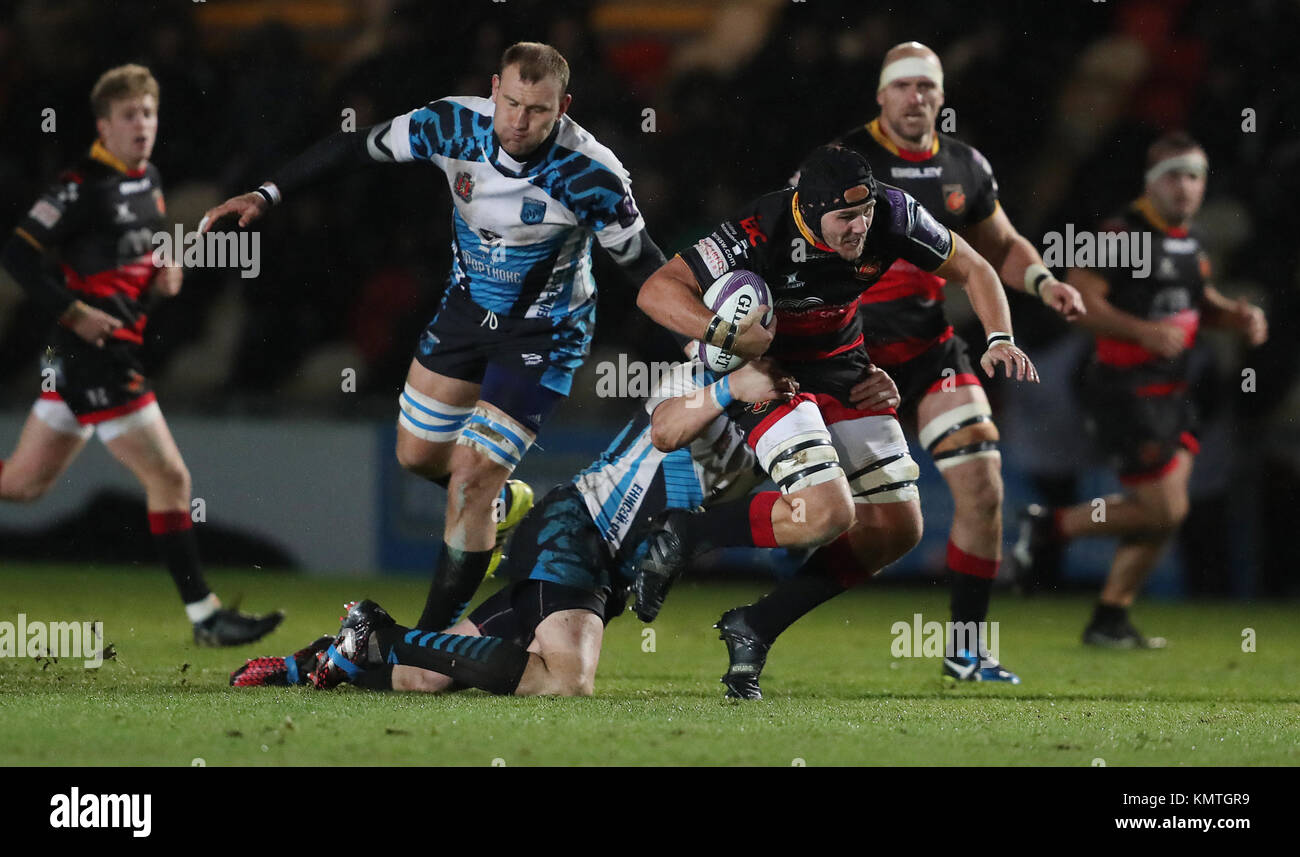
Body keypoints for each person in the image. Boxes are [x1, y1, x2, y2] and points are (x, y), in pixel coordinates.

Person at [202, 42, 666, 634]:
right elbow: (354, 145)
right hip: (465, 314)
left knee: (470, 473)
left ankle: (423, 642)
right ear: (494, 89)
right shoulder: (451, 123)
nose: (520, 123)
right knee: (417, 456)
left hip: (544, 332)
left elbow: (645, 267)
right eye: (513, 104)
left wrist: (700, 335)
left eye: (540, 111)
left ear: (564, 107)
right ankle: (501, 504)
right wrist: (266, 193)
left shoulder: (593, 173)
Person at [631, 144, 1040, 698]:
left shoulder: (892, 215)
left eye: (865, 212)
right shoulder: (761, 229)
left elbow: (974, 266)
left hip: (842, 367)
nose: (860, 226)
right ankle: (691, 531)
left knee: (897, 529)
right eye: (845, 217)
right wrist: (726, 338)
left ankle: (755, 625)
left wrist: (998, 338)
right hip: (769, 374)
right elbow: (656, 290)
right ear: (808, 209)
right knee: (827, 513)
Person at [234, 354, 867, 695]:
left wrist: (861, 386)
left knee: (427, 678)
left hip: (589, 553)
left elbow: (806, 499)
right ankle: (381, 633)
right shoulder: (706, 374)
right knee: (566, 681)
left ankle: (312, 664)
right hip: (579, 532)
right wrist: (731, 385)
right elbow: (666, 428)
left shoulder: (785, 410)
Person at [0, 64, 282, 646]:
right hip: (93, 356)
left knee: (23, 486)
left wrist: (163, 269)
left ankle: (206, 618)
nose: (142, 125)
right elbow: (19, 255)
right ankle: (206, 618)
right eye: (129, 116)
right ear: (103, 125)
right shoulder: (78, 186)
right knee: (170, 477)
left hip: (94, 356)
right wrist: (74, 311)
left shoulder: (148, 178)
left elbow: (136, 252)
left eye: (148, 114)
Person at [833, 42, 1086, 681]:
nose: (916, 97)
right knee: (821, 507)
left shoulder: (963, 166)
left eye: (927, 87)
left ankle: (966, 648)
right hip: (847, 355)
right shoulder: (845, 161)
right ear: (881, 96)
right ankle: (696, 552)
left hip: (927, 347)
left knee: (983, 480)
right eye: (904, 86)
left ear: (940, 97)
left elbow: (1000, 244)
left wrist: (1044, 281)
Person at [1011, 132, 1267, 647]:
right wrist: (1142, 332)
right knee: (1165, 508)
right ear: (1151, 182)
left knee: (1162, 510)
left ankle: (1110, 617)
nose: (1185, 187)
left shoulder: (1189, 239)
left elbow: (1196, 302)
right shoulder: (1122, 233)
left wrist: (1234, 316)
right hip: (1125, 389)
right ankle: (1051, 527)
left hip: (1175, 393)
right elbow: (1080, 299)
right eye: (1173, 175)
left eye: (1194, 176)